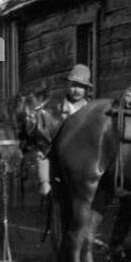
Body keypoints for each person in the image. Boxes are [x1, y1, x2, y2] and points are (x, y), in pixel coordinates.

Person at [36, 64, 94, 198]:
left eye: (81, 86)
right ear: (67, 85)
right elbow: (43, 150)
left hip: (87, 176)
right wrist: (44, 181)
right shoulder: (55, 112)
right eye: (73, 85)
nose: (76, 90)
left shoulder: (93, 113)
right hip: (60, 176)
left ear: (86, 89)